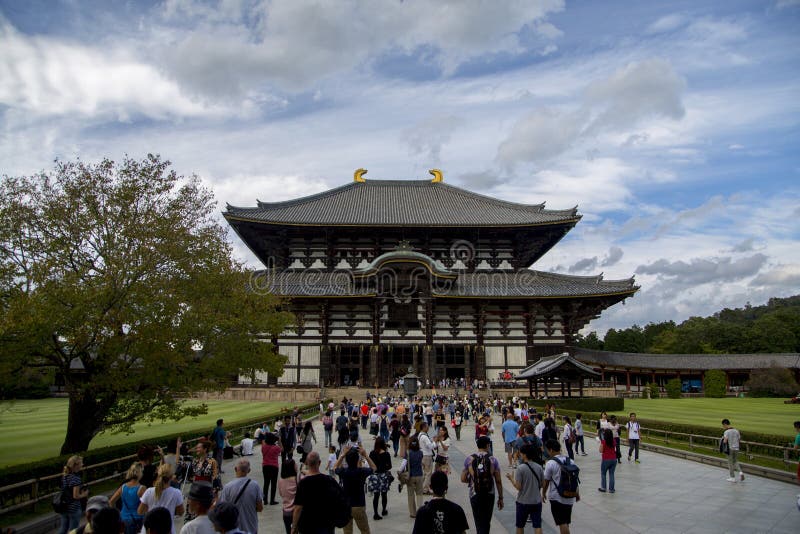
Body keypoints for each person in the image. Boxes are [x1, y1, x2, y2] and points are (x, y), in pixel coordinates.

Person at [460, 436, 503, 534]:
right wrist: (501, 497)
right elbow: (498, 481)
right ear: (488, 445)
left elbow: (462, 478)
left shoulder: (470, 459)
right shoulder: (493, 460)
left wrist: (474, 480)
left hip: (475, 493)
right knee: (486, 521)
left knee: (478, 521)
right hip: (489, 493)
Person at [334, 446, 377, 534]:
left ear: (347, 460)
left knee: (347, 531)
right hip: (359, 505)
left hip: (346, 506)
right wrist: (365, 455)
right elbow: (374, 468)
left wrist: (342, 455)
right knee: (365, 530)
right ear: (357, 459)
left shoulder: (344, 472)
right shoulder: (362, 471)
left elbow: (334, 467)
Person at [292, 451, 336, 534]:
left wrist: (294, 526)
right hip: (326, 525)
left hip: (308, 525)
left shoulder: (303, 483)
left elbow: (298, 508)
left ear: (307, 463)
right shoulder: (329, 480)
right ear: (319, 463)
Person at [505, 444, 544, 534]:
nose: (520, 455)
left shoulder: (521, 468)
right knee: (537, 525)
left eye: (521, 453)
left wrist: (511, 479)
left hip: (523, 502)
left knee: (520, 525)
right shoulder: (539, 467)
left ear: (525, 455)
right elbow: (542, 484)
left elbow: (519, 487)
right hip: (536, 501)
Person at [541, 439, 578, 534]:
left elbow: (546, 480)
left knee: (562, 522)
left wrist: (543, 493)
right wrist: (577, 493)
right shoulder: (570, 461)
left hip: (557, 497)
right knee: (565, 521)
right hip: (570, 495)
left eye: (547, 450)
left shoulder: (550, 463)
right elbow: (574, 479)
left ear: (551, 450)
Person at [218, 459, 263, 534]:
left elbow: (222, 509)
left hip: (233, 529)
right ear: (249, 471)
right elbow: (260, 508)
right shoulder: (255, 485)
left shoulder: (227, 487)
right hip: (251, 527)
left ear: (235, 469)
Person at [138, 465, 185, 534]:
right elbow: (180, 512)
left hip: (149, 530)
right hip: (167, 529)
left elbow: (140, 511)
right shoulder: (176, 493)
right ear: (171, 477)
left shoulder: (149, 491)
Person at [109, 463, 146, 534]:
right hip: (137, 519)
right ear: (140, 473)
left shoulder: (123, 487)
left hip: (123, 518)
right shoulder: (141, 488)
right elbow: (146, 505)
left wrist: (116, 515)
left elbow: (111, 502)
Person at [58, 455, 90, 534]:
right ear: (76, 465)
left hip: (64, 506)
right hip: (74, 507)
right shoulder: (75, 478)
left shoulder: (65, 476)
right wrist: (84, 494)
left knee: (63, 528)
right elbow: (75, 496)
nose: (82, 465)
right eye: (81, 463)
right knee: (73, 530)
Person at [368, 437, 392, 520]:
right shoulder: (386, 454)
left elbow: (370, 464)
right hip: (383, 476)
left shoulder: (372, 453)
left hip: (374, 476)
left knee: (376, 495)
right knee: (384, 494)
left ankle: (375, 513)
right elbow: (389, 466)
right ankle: (384, 510)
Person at [401, 435, 425, 518]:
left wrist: (400, 472)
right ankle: (420, 511)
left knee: (411, 495)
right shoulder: (420, 452)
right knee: (419, 494)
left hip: (410, 476)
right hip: (419, 475)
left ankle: (413, 513)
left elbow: (403, 465)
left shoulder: (408, 453)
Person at [278, 460, 300, 534]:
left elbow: (281, 494)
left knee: (289, 531)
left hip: (286, 512)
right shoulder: (296, 479)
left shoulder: (281, 480)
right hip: (297, 511)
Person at [260, 432, 281, 505]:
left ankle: (265, 500)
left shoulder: (263, 447)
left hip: (265, 466)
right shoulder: (276, 448)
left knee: (266, 483)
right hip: (274, 466)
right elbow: (282, 450)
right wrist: (279, 441)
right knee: (273, 484)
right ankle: (272, 500)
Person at [722, 419, 744, 483]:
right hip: (736, 448)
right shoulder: (736, 431)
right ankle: (741, 473)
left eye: (723, 425)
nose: (723, 427)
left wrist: (723, 439)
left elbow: (725, 441)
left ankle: (732, 477)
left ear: (725, 424)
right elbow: (739, 440)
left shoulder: (726, 432)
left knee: (730, 463)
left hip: (730, 449)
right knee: (735, 461)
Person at [418, 422, 435, 493]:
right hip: (427, 455)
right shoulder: (424, 437)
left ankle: (422, 487)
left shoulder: (420, 435)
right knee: (428, 473)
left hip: (422, 455)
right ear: (424, 427)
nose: (428, 428)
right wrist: (434, 442)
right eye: (427, 427)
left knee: (425, 472)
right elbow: (431, 446)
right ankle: (425, 489)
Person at [598, 429, 616, 494]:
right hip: (614, 459)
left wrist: (601, 442)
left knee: (603, 473)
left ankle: (603, 488)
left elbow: (600, 450)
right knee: (611, 474)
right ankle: (611, 489)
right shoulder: (614, 441)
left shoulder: (604, 442)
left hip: (606, 459)